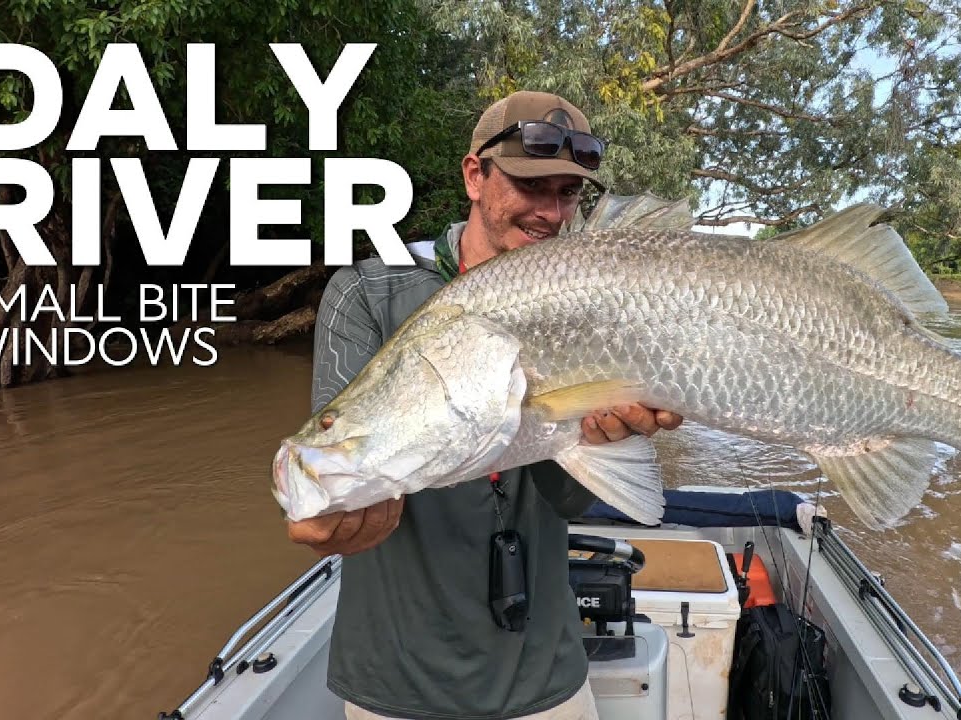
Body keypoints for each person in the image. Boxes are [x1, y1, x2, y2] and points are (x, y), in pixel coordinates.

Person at [286, 90, 684, 720]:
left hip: (546, 676)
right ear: (475, 175)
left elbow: (568, 499)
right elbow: (349, 463)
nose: (550, 212)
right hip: (396, 682)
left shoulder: (593, 296)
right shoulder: (366, 292)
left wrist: (608, 437)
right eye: (530, 186)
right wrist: (328, 515)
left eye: (567, 193)